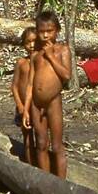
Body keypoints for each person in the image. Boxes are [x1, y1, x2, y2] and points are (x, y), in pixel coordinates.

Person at [29, 10, 71, 178]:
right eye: (41, 31)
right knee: (40, 143)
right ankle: (45, 181)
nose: (45, 35)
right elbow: (30, 83)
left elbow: (67, 75)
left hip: (53, 101)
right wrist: (25, 108)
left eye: (50, 31)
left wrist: (51, 56)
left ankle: (61, 184)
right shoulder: (35, 55)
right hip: (35, 103)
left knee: (56, 145)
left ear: (57, 31)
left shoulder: (62, 50)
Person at [11, 27, 37, 164]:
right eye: (28, 42)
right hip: (23, 106)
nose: (32, 45)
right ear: (23, 44)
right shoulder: (21, 63)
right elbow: (14, 86)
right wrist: (20, 105)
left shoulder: (42, 62)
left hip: (37, 107)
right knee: (27, 137)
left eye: (34, 41)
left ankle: (41, 163)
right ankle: (29, 164)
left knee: (41, 136)